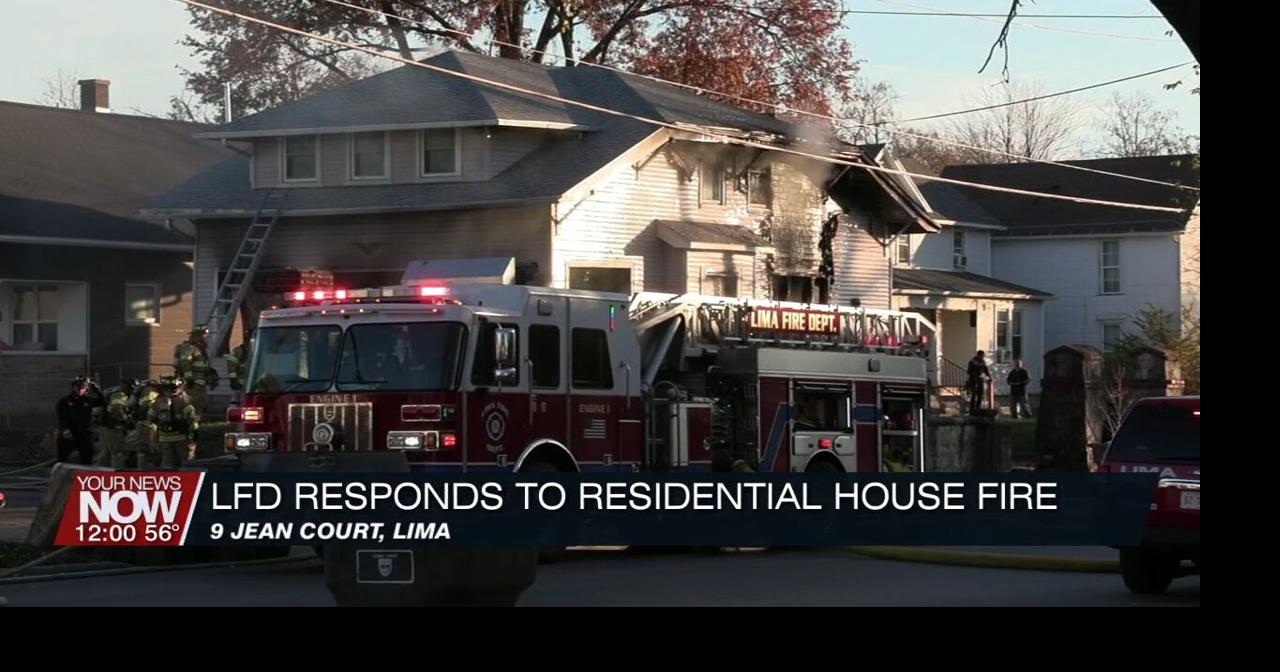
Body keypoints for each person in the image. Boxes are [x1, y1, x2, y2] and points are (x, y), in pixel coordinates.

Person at [148, 377, 199, 469]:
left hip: (164, 438)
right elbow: (192, 418)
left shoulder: (157, 403)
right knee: (186, 464)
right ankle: (188, 481)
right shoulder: (183, 402)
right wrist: (194, 433)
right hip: (181, 438)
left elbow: (150, 418)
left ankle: (168, 481)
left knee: (167, 465)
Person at [173, 324, 218, 417]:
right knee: (190, 406)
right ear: (195, 335)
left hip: (201, 384)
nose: (205, 337)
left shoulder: (201, 349)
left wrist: (211, 373)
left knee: (200, 406)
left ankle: (195, 426)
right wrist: (189, 378)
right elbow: (185, 363)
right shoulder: (188, 347)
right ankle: (187, 425)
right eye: (202, 335)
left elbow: (203, 365)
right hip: (192, 385)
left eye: (205, 335)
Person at [55, 377, 100, 464]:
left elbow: (103, 402)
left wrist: (96, 388)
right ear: (73, 387)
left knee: (87, 458)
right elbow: (62, 417)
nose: (80, 389)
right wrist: (65, 429)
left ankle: (85, 476)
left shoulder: (88, 400)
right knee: (62, 459)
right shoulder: (65, 401)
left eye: (82, 387)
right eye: (78, 387)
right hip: (70, 434)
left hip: (84, 434)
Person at [100, 379, 138, 469]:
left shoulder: (116, 394)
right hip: (114, 427)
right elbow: (117, 410)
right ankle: (117, 476)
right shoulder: (120, 395)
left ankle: (99, 474)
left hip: (106, 426)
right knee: (119, 452)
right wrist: (128, 421)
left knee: (107, 453)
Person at [966, 350, 991, 415]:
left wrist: (989, 377)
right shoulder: (972, 361)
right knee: (974, 395)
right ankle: (972, 409)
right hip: (973, 380)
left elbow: (985, 370)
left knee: (980, 394)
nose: (983, 356)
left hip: (980, 379)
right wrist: (972, 377)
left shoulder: (982, 361)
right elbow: (969, 371)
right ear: (980, 355)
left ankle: (978, 408)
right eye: (983, 355)